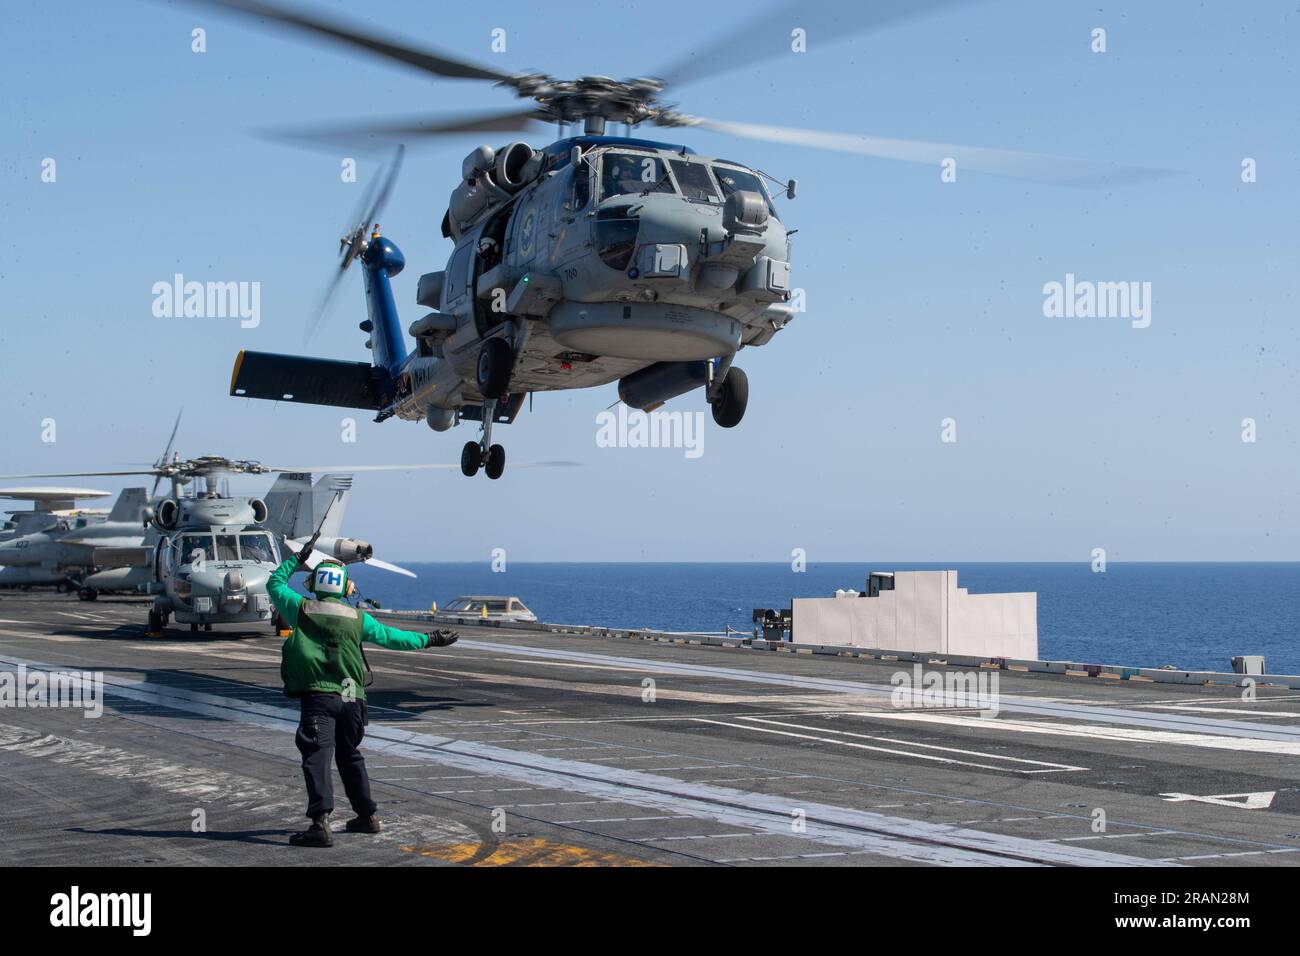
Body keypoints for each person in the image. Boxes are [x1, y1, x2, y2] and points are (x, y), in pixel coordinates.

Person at [266, 531, 460, 848]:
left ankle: (320, 824)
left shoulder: (300, 609)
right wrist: (431, 639)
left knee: (317, 757)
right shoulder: (358, 618)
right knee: (350, 756)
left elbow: (274, 584)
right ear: (347, 588)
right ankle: (366, 816)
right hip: (351, 698)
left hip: (319, 696)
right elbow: (394, 638)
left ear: (313, 585)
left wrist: (298, 558)